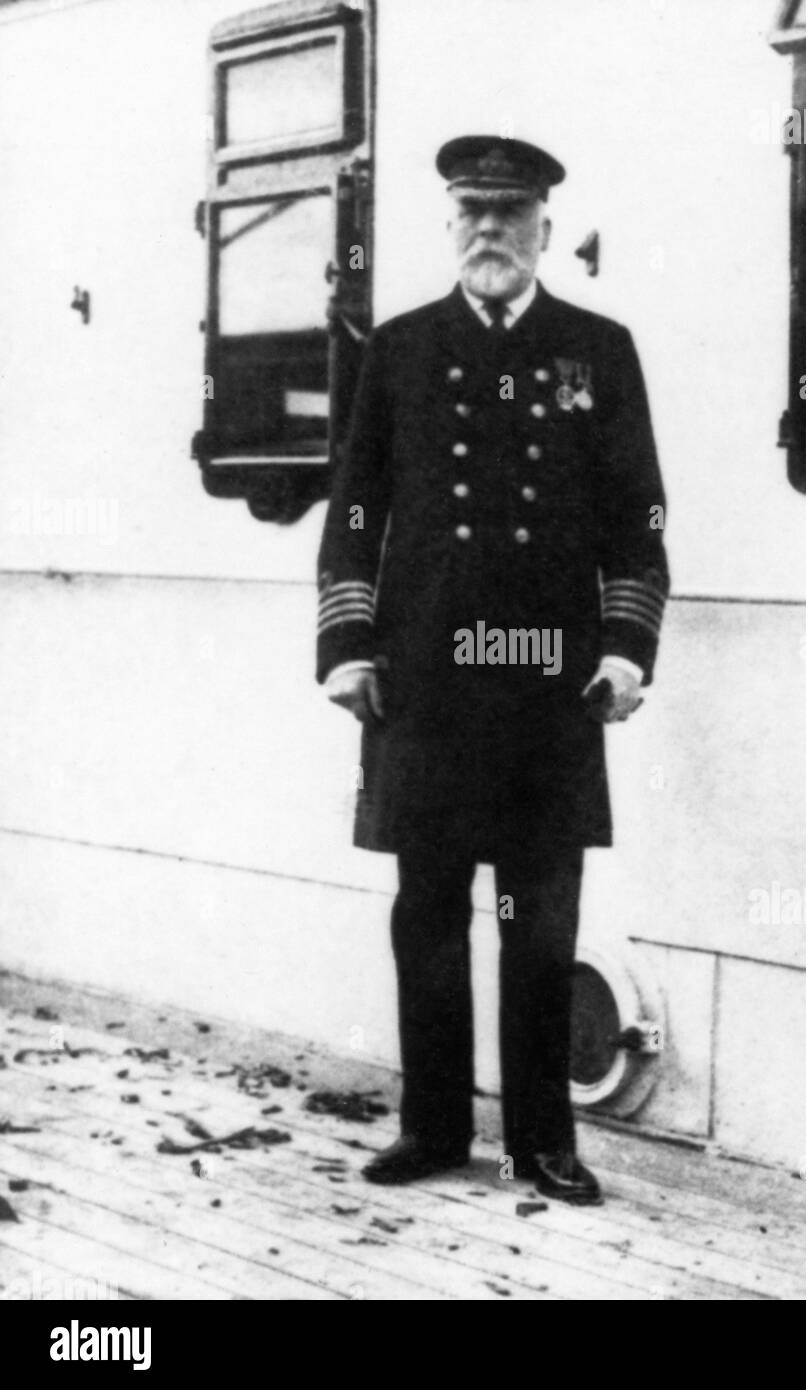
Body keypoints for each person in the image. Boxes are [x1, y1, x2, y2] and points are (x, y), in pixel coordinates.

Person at [316, 135, 668, 1205]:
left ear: (544, 231)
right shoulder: (400, 348)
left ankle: (541, 1141)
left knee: (539, 917)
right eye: (471, 209)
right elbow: (356, 509)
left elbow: (637, 518)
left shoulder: (596, 350)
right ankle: (430, 1129)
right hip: (423, 682)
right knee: (425, 908)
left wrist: (623, 646)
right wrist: (346, 644)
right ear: (447, 221)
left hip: (548, 690)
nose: (488, 231)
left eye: (509, 215)